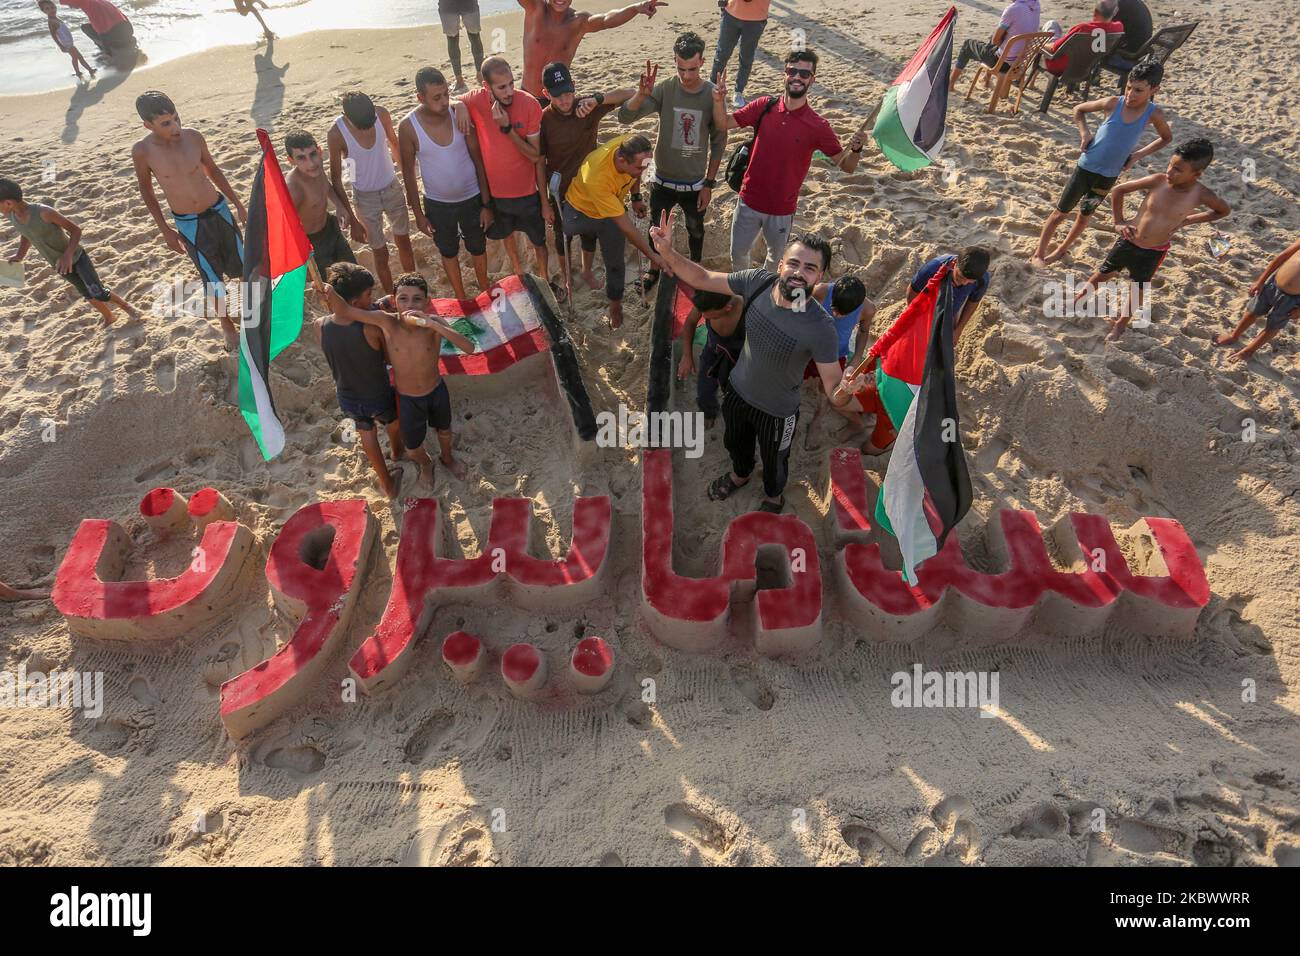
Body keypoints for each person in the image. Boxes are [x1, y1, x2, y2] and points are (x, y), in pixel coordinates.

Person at [651, 210, 869, 513]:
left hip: (778, 412)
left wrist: (847, 390)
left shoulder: (821, 328)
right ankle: (739, 476)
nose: (798, 272)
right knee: (735, 445)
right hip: (737, 393)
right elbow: (702, 278)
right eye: (793, 263)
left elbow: (833, 389)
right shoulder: (757, 282)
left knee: (775, 461)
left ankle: (773, 497)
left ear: (819, 277)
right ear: (780, 264)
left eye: (809, 268)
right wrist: (667, 251)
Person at [713, 48, 866, 272]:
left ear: (812, 80)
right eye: (792, 71)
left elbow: (847, 166)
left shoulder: (818, 126)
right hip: (748, 200)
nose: (797, 77)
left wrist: (857, 149)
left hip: (782, 209)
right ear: (784, 73)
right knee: (738, 255)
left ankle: (763, 293)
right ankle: (745, 293)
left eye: (804, 74)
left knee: (776, 262)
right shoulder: (764, 106)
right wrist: (719, 100)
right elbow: (723, 124)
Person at [325, 272, 476, 487]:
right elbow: (346, 310)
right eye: (403, 299)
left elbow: (469, 348)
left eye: (417, 299)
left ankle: (447, 457)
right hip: (408, 399)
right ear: (393, 302)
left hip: (436, 391)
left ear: (427, 302)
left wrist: (434, 325)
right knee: (413, 447)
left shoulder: (433, 324)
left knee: (444, 430)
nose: (410, 304)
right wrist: (329, 292)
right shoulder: (387, 322)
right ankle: (426, 464)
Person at [1075, 138, 1229, 340]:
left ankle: (1121, 323)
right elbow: (1118, 191)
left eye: (1178, 170)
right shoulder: (1158, 181)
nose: (1170, 172)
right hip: (1129, 240)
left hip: (1155, 250)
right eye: (1170, 165)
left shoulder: (1201, 194)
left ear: (1197, 174)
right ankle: (1077, 299)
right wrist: (1119, 221)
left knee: (1138, 287)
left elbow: (1222, 211)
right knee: (1102, 275)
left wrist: (1187, 220)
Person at [130, 91, 246, 348]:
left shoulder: (193, 137)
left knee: (242, 266)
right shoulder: (142, 151)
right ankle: (227, 326)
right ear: (147, 125)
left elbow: (212, 169)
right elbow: (146, 191)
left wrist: (237, 203)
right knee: (211, 277)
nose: (176, 127)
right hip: (189, 223)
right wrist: (165, 231)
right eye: (166, 123)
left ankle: (252, 314)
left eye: (176, 118)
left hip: (219, 211)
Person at [1030, 59, 1170, 267]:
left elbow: (1166, 138)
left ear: (1154, 89)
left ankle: (1061, 250)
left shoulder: (1153, 114)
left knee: (1084, 217)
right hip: (1085, 168)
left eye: (1138, 90)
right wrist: (1084, 133)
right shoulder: (1114, 102)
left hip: (1108, 175)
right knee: (1059, 213)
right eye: (1129, 87)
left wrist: (1138, 155)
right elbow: (1079, 110)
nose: (1131, 94)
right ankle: (1039, 253)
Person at [619, 31, 728, 293]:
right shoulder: (666, 88)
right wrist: (640, 95)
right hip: (662, 180)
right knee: (656, 229)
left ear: (702, 62)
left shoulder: (713, 94)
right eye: (681, 68)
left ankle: (697, 273)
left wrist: (709, 184)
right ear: (675, 61)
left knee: (696, 231)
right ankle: (655, 269)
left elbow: (719, 141)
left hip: (694, 183)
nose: (687, 76)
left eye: (692, 69)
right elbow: (624, 117)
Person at [538, 62, 636, 298]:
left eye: (569, 93)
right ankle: (567, 275)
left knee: (589, 232)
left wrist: (598, 99)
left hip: (590, 185)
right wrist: (544, 202)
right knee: (564, 235)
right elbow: (539, 163)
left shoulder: (587, 105)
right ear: (545, 94)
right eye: (558, 96)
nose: (565, 100)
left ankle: (587, 271)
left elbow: (631, 94)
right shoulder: (543, 120)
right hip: (559, 188)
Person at [399, 67, 494, 303]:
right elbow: (408, 174)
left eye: (446, 94)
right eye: (436, 97)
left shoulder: (458, 114)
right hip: (438, 204)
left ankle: (484, 290)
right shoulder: (408, 126)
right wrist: (419, 214)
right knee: (448, 251)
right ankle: (461, 297)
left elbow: (476, 156)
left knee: (478, 247)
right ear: (420, 97)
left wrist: (486, 203)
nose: (443, 102)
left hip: (472, 197)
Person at [454, 57, 550, 282]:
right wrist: (458, 105)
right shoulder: (476, 99)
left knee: (539, 242)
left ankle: (544, 280)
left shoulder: (529, 104)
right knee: (507, 236)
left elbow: (535, 155)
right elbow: (450, 99)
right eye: (501, 87)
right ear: (486, 87)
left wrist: (507, 128)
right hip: (497, 195)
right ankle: (518, 274)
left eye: (511, 84)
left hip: (528, 193)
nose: (509, 92)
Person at [319, 263, 407, 498]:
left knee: (367, 435)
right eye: (369, 294)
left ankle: (387, 485)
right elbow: (389, 359)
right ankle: (397, 452)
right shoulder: (371, 328)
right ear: (355, 302)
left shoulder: (321, 326)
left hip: (346, 395)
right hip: (377, 393)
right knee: (393, 423)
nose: (373, 298)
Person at [1, 177, 139, 326]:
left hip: (76, 256)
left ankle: (127, 307)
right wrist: (20, 255)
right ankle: (109, 316)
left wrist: (67, 255)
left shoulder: (44, 212)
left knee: (97, 291)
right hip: (58, 264)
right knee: (86, 293)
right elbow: (26, 234)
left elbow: (75, 230)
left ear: (8, 203)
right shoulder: (11, 216)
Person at [561, 133, 661, 329]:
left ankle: (615, 306)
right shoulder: (597, 177)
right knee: (589, 233)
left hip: (609, 203)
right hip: (580, 211)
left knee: (615, 261)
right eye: (639, 167)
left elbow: (637, 173)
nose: (644, 170)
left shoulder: (631, 146)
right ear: (621, 160)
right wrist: (653, 256)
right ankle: (587, 271)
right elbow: (628, 229)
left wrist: (636, 197)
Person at [329, 92, 413, 296]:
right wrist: (353, 219)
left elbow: (394, 144)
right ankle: (392, 297)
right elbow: (337, 180)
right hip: (365, 198)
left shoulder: (381, 115)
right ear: (346, 117)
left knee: (404, 242)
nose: (368, 127)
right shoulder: (337, 133)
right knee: (380, 251)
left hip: (392, 188)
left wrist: (410, 186)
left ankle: (413, 287)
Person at [515, 0, 667, 101]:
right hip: (526, 95)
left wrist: (635, 8)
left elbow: (606, 19)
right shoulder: (535, 8)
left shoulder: (578, 21)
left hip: (559, 101)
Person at [801, 276, 876, 430]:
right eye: (834, 308)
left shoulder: (867, 309)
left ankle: (819, 417)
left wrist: (854, 362)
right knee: (796, 375)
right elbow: (800, 313)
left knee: (828, 388)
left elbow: (863, 331)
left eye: (843, 313)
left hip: (836, 354)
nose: (836, 315)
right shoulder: (821, 291)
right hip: (809, 348)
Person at [284, 130, 361, 275]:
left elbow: (326, 186)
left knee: (355, 274)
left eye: (313, 154)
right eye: (301, 158)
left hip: (331, 228)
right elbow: (284, 227)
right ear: (291, 160)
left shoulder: (316, 169)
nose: (311, 163)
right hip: (312, 244)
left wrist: (339, 205)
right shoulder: (294, 188)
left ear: (319, 151)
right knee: (333, 289)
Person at [1214, 238, 1300, 363]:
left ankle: (1249, 351)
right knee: (1252, 311)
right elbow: (1282, 257)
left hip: (1293, 300)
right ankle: (1234, 335)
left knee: (1273, 326)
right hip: (1273, 284)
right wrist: (1260, 281)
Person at [676, 288, 744, 428]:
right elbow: (690, 323)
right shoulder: (709, 298)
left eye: (712, 317)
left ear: (727, 308)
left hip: (740, 359)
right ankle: (709, 412)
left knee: (738, 396)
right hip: (712, 351)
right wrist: (686, 355)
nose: (705, 319)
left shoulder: (749, 309)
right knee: (704, 389)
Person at [948, 0, 1041, 91]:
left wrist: (1001, 40)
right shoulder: (1036, 5)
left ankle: (950, 84)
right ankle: (986, 79)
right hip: (1019, 64)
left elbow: (995, 41)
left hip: (1002, 63)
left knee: (967, 45)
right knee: (999, 36)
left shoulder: (1013, 9)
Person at [909, 247, 991, 341]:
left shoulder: (982, 280)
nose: (964, 283)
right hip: (928, 303)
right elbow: (913, 291)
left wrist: (958, 330)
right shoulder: (933, 268)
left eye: (970, 281)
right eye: (960, 277)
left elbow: (973, 302)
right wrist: (915, 320)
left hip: (953, 305)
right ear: (955, 263)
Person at [709, 0, 769, 108]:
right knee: (722, 54)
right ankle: (711, 86)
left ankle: (738, 92)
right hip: (731, 13)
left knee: (746, 57)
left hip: (756, 18)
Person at [1041, 0, 1123, 76]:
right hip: (1086, 69)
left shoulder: (1083, 28)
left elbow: (1053, 49)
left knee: (1051, 25)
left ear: (1095, 11)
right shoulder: (1118, 27)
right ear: (1115, 12)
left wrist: (1040, 44)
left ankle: (1031, 82)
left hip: (1060, 67)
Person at [39, 0, 96, 81]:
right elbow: (54, 36)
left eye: (53, 7)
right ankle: (90, 70)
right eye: (47, 9)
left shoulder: (55, 18)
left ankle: (78, 72)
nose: (51, 10)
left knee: (75, 58)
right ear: (44, 11)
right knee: (79, 57)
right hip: (66, 44)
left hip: (68, 42)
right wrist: (61, 46)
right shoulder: (51, 21)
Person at [438, 1, 484, 94]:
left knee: (474, 36)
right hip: (448, 5)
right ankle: (459, 79)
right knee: (452, 39)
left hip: (468, 4)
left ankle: (479, 73)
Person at [58, 0, 134, 56]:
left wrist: (107, 52)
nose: (70, 7)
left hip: (118, 39)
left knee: (85, 27)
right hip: (128, 32)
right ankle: (123, 42)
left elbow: (102, 32)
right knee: (94, 26)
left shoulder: (91, 8)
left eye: (70, 4)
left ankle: (106, 48)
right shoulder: (100, 2)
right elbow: (124, 17)